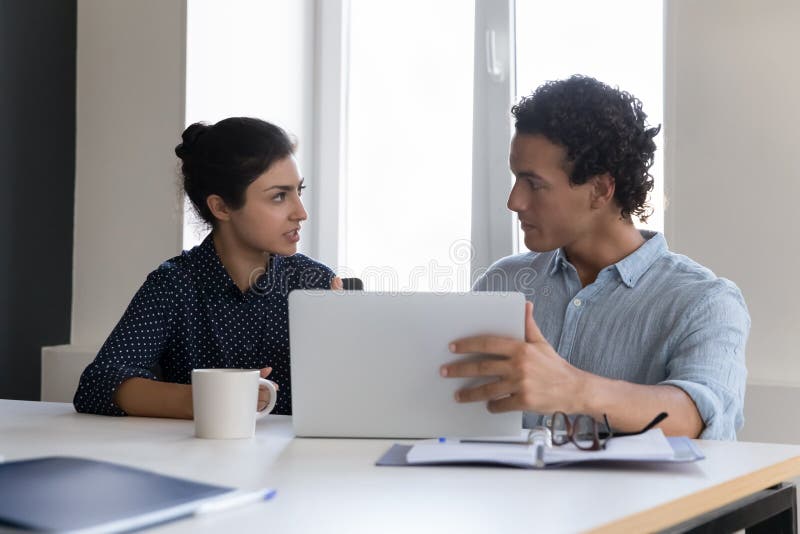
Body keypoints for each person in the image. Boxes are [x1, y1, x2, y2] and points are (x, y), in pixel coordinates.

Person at [440, 75, 749, 440]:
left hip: (640, 499)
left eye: (534, 184)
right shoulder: (501, 283)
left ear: (600, 190)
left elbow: (696, 416)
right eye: (515, 180)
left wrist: (574, 389)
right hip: (500, 495)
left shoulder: (704, 301)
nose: (514, 202)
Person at [74, 117, 341, 418]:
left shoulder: (316, 283)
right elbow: (97, 386)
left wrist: (351, 342)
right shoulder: (174, 284)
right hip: (196, 460)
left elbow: (348, 399)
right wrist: (214, 398)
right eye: (279, 196)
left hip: (294, 462)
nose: (301, 213)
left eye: (298, 191)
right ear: (222, 207)